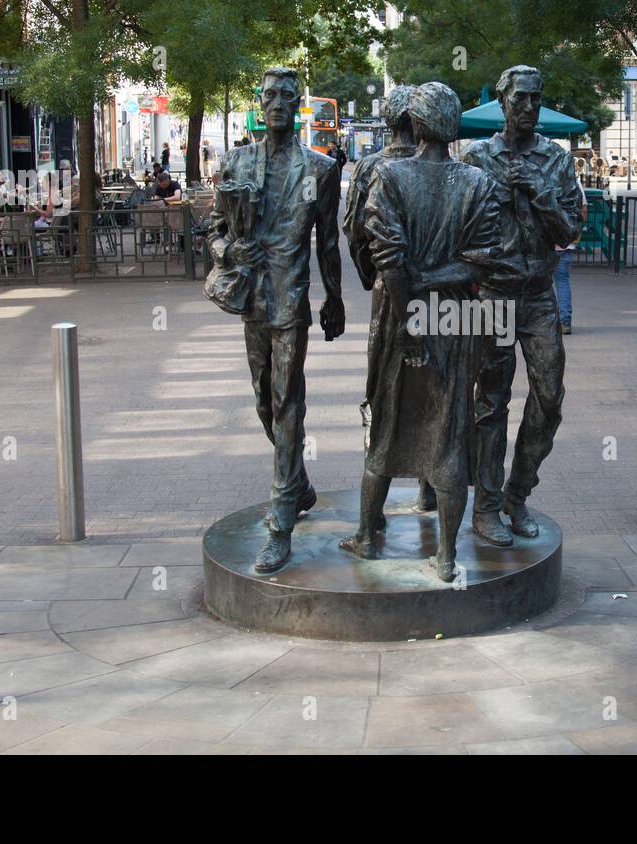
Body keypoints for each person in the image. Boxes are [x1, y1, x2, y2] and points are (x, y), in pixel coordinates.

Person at [338, 82, 502, 581]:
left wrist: (413, 308)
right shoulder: (478, 183)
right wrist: (439, 282)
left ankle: (368, 535)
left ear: (415, 122)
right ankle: (448, 556)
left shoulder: (389, 176)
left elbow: (388, 263)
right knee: (449, 432)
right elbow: (481, 261)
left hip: (399, 323)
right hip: (454, 323)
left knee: (387, 424)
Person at [207, 66, 344, 573]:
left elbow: (328, 242)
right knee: (264, 399)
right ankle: (301, 484)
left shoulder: (321, 170)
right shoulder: (235, 162)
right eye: (271, 94)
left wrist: (335, 297)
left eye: (289, 94)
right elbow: (215, 232)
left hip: (292, 301)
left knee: (288, 401)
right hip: (252, 300)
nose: (279, 101)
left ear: (299, 104)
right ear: (260, 102)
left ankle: (280, 515)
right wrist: (227, 248)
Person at [462, 64, 580, 546]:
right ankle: (486, 507)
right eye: (520, 99)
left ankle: (518, 492)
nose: (529, 107)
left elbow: (570, 231)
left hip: (538, 297)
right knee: (490, 403)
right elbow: (459, 228)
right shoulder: (477, 157)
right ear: (504, 102)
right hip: (492, 295)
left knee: (549, 399)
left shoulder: (555, 159)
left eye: (536, 98)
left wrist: (540, 194)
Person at [342, 84, 436, 513]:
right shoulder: (436, 168)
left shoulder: (369, 168)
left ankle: (372, 508)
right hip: (436, 294)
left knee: (383, 389)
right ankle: (429, 486)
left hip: (388, 293)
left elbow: (354, 232)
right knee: (433, 387)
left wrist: (371, 277)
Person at [553, 183, 589, 334]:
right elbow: (584, 209)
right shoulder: (575, 183)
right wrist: (575, 231)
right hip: (566, 242)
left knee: (539, 285)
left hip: (545, 242)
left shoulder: (544, 176)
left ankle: (541, 322)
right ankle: (565, 321)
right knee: (562, 282)